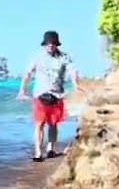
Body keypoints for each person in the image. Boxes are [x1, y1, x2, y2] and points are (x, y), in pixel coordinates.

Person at [17, 30, 79, 161]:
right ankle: (38, 153)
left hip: (56, 95)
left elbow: (73, 71)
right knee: (39, 123)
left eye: (53, 43)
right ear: (45, 44)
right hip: (40, 95)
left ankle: (51, 148)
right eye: (48, 43)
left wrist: (75, 84)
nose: (51, 45)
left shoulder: (64, 57)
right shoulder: (37, 57)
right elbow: (28, 73)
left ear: (57, 44)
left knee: (53, 123)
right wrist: (22, 89)